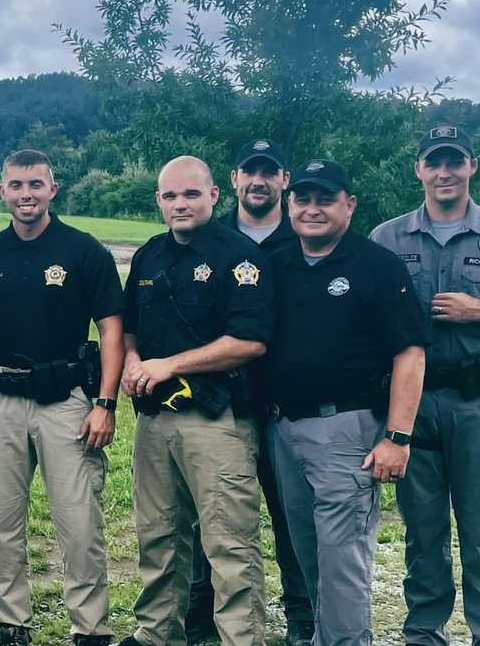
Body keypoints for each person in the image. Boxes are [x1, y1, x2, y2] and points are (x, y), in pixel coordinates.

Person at [0, 149, 124, 646]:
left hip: (66, 399)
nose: (25, 194)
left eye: (35, 185)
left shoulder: (83, 250)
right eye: (15, 185)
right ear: (1, 192)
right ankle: (10, 621)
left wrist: (106, 403)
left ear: (54, 189)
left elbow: (112, 329)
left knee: (79, 521)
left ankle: (89, 627)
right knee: (1, 520)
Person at [371, 126, 480, 646]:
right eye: (434, 163)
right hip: (412, 405)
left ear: (472, 167)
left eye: (454, 162)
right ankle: (423, 632)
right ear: (418, 170)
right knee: (424, 530)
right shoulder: (388, 239)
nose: (444, 173)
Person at [268, 159, 427, 645]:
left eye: (325, 199)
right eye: (303, 199)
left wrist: (397, 437)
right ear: (289, 203)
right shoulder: (276, 263)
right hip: (283, 429)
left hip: (345, 429)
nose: (312, 209)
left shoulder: (375, 265)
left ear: (349, 205)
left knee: (342, 562)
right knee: (308, 555)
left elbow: (410, 351)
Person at [118, 156, 271, 646]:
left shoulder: (240, 257)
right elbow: (130, 329)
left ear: (213, 196)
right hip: (156, 419)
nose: (179, 204)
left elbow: (250, 340)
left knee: (229, 540)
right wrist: (134, 360)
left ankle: (238, 637)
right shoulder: (149, 256)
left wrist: (169, 365)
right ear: (159, 201)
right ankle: (158, 632)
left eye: (190, 194)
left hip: (217, 419)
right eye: (169, 196)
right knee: (158, 533)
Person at [184, 139, 312, 645]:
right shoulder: (205, 239)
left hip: (284, 403)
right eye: (248, 171)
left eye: (269, 171)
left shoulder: (305, 237)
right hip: (219, 403)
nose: (258, 181)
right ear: (233, 181)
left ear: (285, 180)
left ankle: (302, 614)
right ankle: (203, 614)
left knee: (290, 515)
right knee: (210, 516)